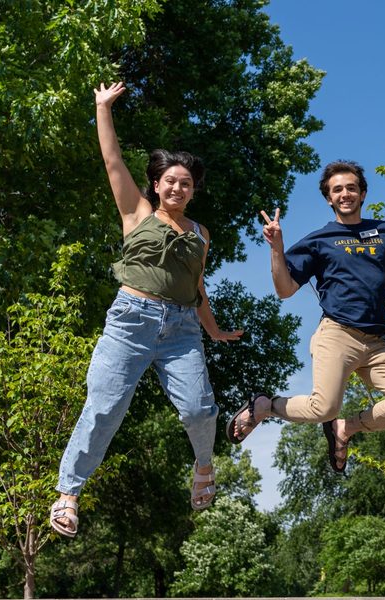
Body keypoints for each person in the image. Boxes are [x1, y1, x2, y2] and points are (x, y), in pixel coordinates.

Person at [50, 82, 243, 538]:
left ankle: (203, 467)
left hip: (181, 330)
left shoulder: (201, 234)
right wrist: (102, 108)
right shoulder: (136, 213)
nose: (177, 187)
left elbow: (196, 287)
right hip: (130, 321)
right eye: (170, 180)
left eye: (186, 183)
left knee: (200, 410)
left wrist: (213, 331)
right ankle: (68, 494)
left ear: (193, 191)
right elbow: (112, 160)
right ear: (156, 185)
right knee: (104, 408)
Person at [224, 160, 385, 473]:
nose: (345, 194)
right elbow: (285, 289)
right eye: (337, 190)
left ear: (363, 193)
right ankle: (267, 405)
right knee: (323, 408)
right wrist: (277, 248)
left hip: (376, 342)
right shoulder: (320, 239)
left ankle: (345, 427)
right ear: (328, 198)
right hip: (337, 334)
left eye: (351, 188)